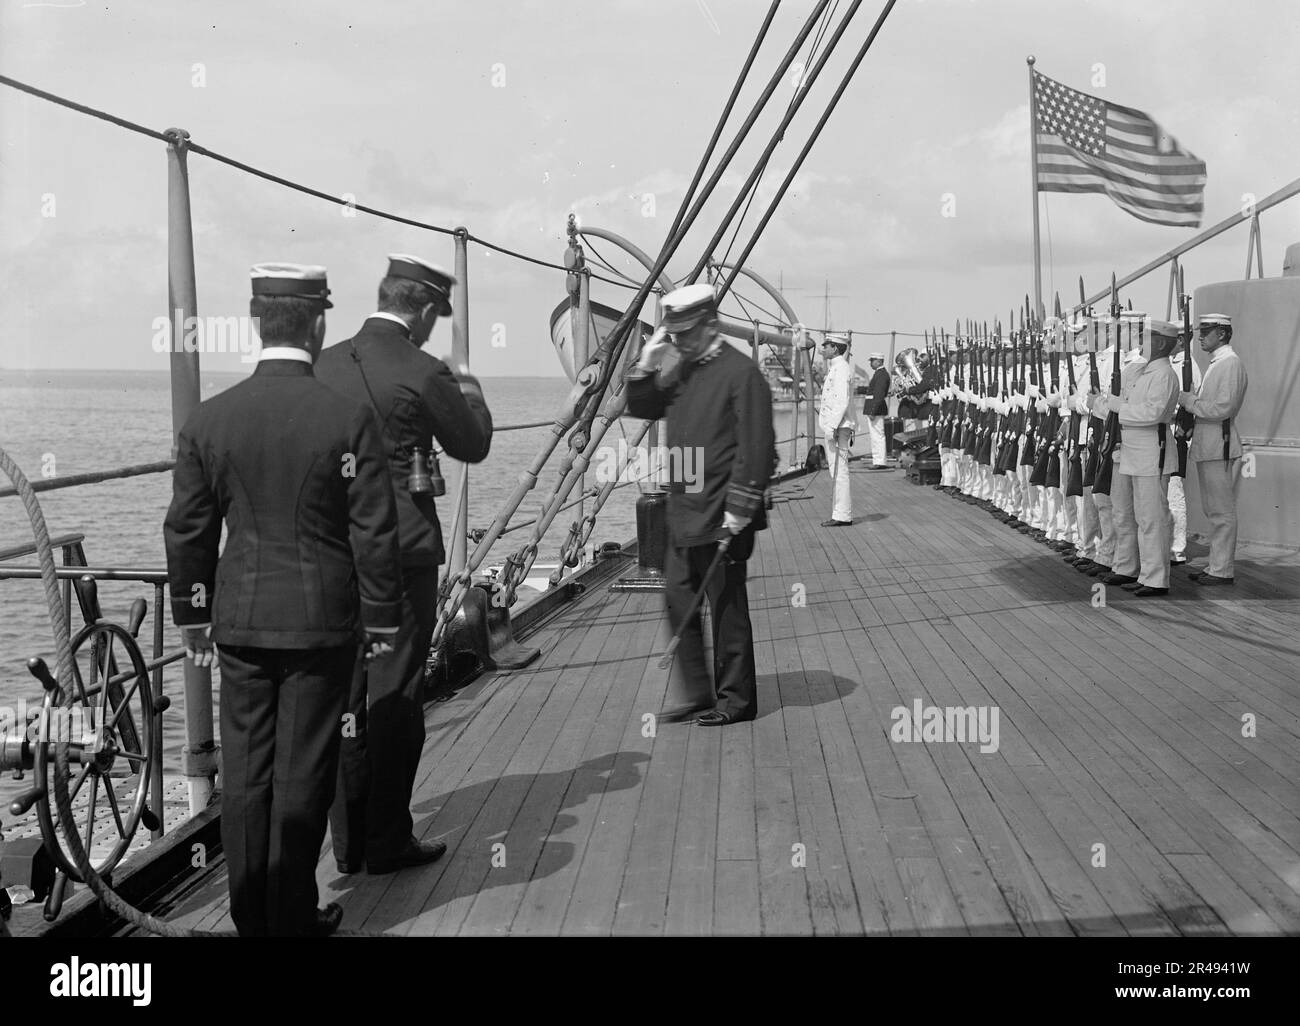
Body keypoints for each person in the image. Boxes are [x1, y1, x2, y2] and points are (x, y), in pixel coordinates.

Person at [164, 264, 403, 936]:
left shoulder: (210, 420)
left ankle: (251, 915)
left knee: (246, 773)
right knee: (304, 769)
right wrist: (382, 619)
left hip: (237, 624)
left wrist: (192, 615)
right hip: (321, 625)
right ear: (319, 322)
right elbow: (374, 531)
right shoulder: (346, 419)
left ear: (253, 318)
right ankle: (292, 914)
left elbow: (187, 528)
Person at [315, 254, 493, 875]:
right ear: (420, 309)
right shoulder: (424, 370)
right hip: (402, 554)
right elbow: (472, 444)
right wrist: (466, 385)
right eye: (432, 318)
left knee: (345, 697)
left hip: (335, 554)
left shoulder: (325, 363)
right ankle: (388, 837)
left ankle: (348, 842)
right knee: (395, 696)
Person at [627, 283, 775, 726]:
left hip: (724, 511)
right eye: (674, 335)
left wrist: (740, 508)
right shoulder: (678, 366)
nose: (680, 341)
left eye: (686, 333)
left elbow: (758, 446)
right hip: (684, 509)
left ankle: (735, 701)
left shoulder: (741, 372)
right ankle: (696, 692)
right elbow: (643, 406)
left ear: (710, 325)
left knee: (727, 606)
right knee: (678, 599)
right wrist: (646, 363)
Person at [1090, 318, 1181, 597]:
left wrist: (1116, 405)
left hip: (1152, 451)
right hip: (1130, 451)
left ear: (1162, 344)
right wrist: (1101, 404)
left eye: (1147, 339)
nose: (1141, 343)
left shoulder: (1164, 374)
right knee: (1126, 513)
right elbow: (1118, 407)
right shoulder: (1140, 371)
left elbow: (1151, 414)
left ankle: (1155, 578)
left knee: (1151, 518)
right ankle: (1127, 567)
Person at [1181, 313, 1248, 586]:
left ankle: (1222, 570)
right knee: (1214, 511)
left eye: (1206, 331)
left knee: (1221, 512)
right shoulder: (1218, 363)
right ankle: (1216, 566)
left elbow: (1224, 407)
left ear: (1221, 334)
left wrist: (1190, 403)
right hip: (1209, 445)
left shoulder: (1230, 364)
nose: (1200, 336)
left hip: (1219, 445)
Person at [1165, 343, 1202, 564]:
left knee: (1174, 492)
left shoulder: (1190, 366)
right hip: (1163, 432)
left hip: (1177, 433)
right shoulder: (1168, 363)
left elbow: (1193, 398)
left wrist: (1185, 425)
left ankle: (1177, 549)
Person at [818, 333, 855, 526]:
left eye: (826, 345)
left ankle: (842, 515)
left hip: (838, 427)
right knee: (837, 471)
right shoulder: (837, 368)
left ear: (835, 348)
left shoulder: (841, 369)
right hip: (836, 426)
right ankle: (839, 513)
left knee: (839, 471)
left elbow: (841, 401)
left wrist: (831, 426)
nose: (822, 348)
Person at [856, 352, 892, 469]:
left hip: (875, 410)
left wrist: (873, 411)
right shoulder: (879, 374)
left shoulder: (881, 375)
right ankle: (878, 460)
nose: (871, 363)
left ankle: (880, 461)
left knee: (877, 436)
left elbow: (879, 394)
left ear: (879, 361)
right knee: (875, 436)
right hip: (874, 408)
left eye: (872, 361)